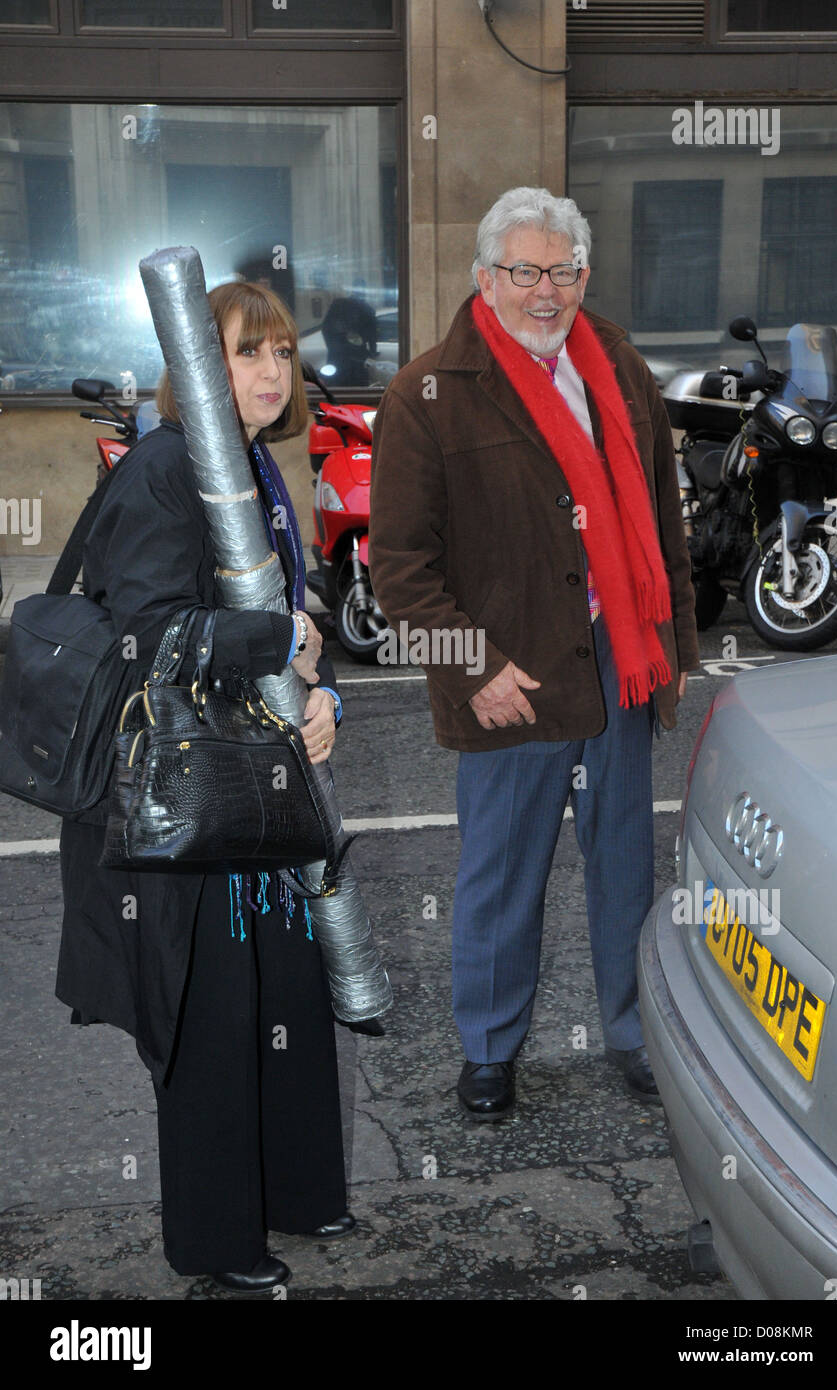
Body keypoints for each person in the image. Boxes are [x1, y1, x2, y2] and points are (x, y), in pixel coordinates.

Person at [369, 187, 699, 1121]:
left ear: (583, 275)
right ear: (485, 278)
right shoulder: (428, 391)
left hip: (619, 660)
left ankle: (633, 1033)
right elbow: (397, 569)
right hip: (509, 679)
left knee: (625, 864)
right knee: (500, 874)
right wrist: (474, 669)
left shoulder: (620, 372)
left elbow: (662, 521)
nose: (543, 291)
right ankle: (487, 1048)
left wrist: (671, 641)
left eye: (561, 270)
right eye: (523, 271)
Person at [56, 281, 354, 1290]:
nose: (270, 373)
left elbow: (298, 628)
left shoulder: (259, 467)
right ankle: (217, 1244)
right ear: (193, 365)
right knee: (211, 1015)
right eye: (244, 353)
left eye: (280, 354)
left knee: (286, 992)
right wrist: (279, 642)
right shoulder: (166, 466)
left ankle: (298, 1192)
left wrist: (323, 702)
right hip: (181, 800)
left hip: (255, 783)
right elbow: (141, 634)